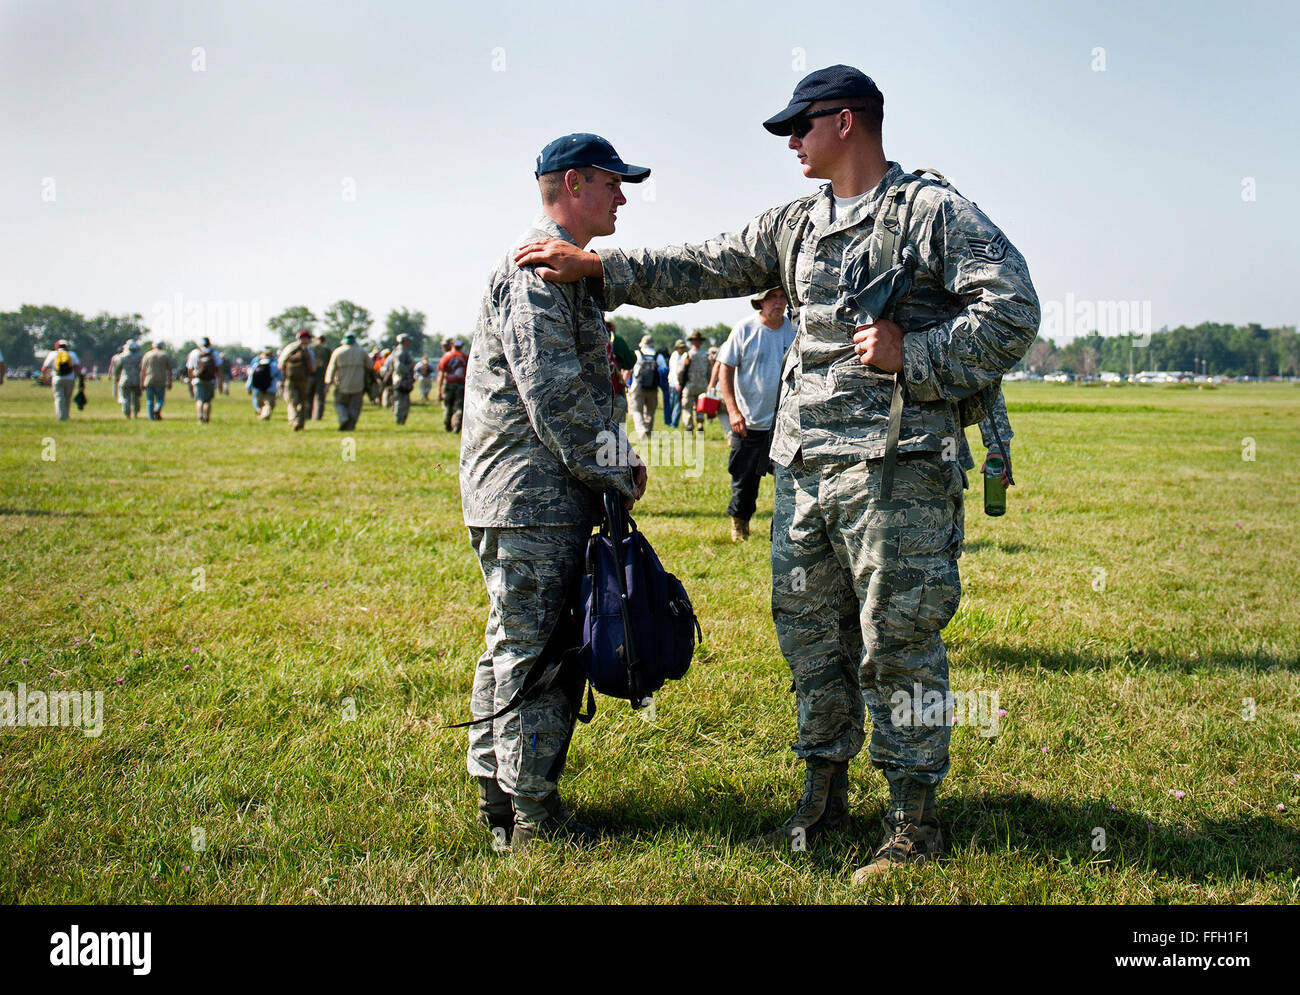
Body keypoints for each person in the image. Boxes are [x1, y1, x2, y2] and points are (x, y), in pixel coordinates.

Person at [514, 66, 1039, 880]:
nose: (791, 141)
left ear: (848, 122)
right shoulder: (799, 223)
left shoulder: (929, 212)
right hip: (802, 470)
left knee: (898, 640)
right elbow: (708, 261)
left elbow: (1013, 309)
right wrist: (601, 272)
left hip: (896, 472)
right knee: (809, 639)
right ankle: (824, 790)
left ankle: (912, 818)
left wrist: (919, 355)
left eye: (801, 125)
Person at [461, 132, 648, 849]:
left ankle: (499, 800)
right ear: (574, 184)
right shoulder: (540, 267)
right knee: (540, 659)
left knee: (513, 645)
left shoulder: (558, 264)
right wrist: (615, 465)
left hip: (527, 495)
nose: (623, 195)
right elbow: (554, 393)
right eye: (612, 182)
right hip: (531, 498)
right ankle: (533, 818)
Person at [717, 287, 796, 541]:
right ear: (760, 302)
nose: (779, 302)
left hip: (785, 425)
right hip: (748, 423)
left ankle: (784, 532)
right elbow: (725, 369)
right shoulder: (745, 329)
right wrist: (732, 411)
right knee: (744, 481)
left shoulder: (793, 330)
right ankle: (739, 524)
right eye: (773, 297)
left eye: (783, 296)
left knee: (789, 484)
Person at [325, 331, 370, 430]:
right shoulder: (362, 351)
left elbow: (331, 368)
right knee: (355, 406)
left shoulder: (338, 352)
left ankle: (343, 417)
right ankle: (351, 425)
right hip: (358, 385)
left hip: (341, 384)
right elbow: (370, 366)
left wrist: (328, 383)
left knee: (340, 403)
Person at [278, 329, 317, 431]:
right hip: (304, 379)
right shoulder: (309, 351)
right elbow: (313, 368)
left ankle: (293, 420)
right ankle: (300, 422)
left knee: (292, 401)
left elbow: (280, 364)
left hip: (290, 379)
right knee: (302, 401)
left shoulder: (289, 348)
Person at [40, 339, 81, 420]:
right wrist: (78, 378)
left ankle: (61, 417)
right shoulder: (72, 354)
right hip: (70, 379)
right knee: (67, 398)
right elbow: (77, 368)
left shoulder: (52, 354)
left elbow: (44, 368)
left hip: (57, 378)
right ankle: (66, 415)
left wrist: (44, 378)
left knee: (59, 398)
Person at [185, 337, 224, 423]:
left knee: (199, 399)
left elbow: (189, 368)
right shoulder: (214, 353)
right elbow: (219, 369)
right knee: (207, 400)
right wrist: (220, 381)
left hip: (197, 379)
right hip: (210, 380)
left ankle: (200, 417)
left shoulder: (195, 353)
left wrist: (191, 380)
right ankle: (206, 418)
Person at [628, 335, 659, 440]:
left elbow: (629, 369)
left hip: (638, 386)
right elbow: (663, 371)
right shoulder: (658, 355)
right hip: (653, 387)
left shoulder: (637, 354)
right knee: (650, 411)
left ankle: (641, 431)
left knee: (637, 410)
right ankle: (648, 431)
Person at [382, 333, 417, 425]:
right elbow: (399, 367)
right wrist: (410, 366)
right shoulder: (400, 352)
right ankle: (399, 420)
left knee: (404, 401)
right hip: (401, 380)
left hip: (402, 379)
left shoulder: (400, 351)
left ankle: (401, 420)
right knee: (401, 402)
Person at [680, 331, 711, 433]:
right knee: (700, 406)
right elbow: (709, 372)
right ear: (701, 342)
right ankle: (700, 423)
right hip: (703, 385)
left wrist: (681, 382)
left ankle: (689, 425)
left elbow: (680, 371)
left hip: (690, 385)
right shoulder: (706, 356)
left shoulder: (687, 355)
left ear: (691, 342)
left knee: (687, 407)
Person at [437, 338, 468, 432]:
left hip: (449, 384)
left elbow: (441, 374)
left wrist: (439, 389)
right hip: (461, 384)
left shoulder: (446, 357)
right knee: (459, 406)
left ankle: (447, 425)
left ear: (452, 345)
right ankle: (457, 424)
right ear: (462, 346)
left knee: (448, 406)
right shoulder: (465, 357)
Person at [140, 341, 173, 419]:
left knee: (149, 400)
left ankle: (151, 417)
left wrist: (141, 382)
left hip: (149, 380)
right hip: (161, 380)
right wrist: (170, 381)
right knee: (160, 399)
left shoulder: (147, 355)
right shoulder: (165, 355)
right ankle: (157, 409)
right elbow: (169, 370)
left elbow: (143, 370)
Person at [112, 340, 144, 418]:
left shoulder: (122, 357)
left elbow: (117, 369)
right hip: (137, 380)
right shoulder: (140, 357)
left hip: (125, 380)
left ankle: (127, 414)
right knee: (136, 398)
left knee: (126, 398)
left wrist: (116, 377)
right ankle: (135, 413)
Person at [246, 347, 280, 420]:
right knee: (269, 403)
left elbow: (251, 377)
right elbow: (280, 376)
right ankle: (265, 415)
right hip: (271, 387)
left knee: (260, 403)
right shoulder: (274, 365)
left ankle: (261, 413)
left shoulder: (256, 364)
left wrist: (249, 387)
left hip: (258, 388)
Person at [666, 339, 688, 428]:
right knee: (677, 404)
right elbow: (675, 372)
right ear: (677, 348)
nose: (682, 349)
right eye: (680, 347)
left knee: (675, 404)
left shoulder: (681, 356)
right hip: (675, 384)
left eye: (683, 347)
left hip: (673, 384)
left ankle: (672, 422)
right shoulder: (676, 356)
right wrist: (677, 384)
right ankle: (674, 424)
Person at [310, 333, 331, 420]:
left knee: (308, 397)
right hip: (323, 376)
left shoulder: (311, 348)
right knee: (320, 397)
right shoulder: (327, 350)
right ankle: (317, 416)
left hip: (310, 376)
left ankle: (307, 415)